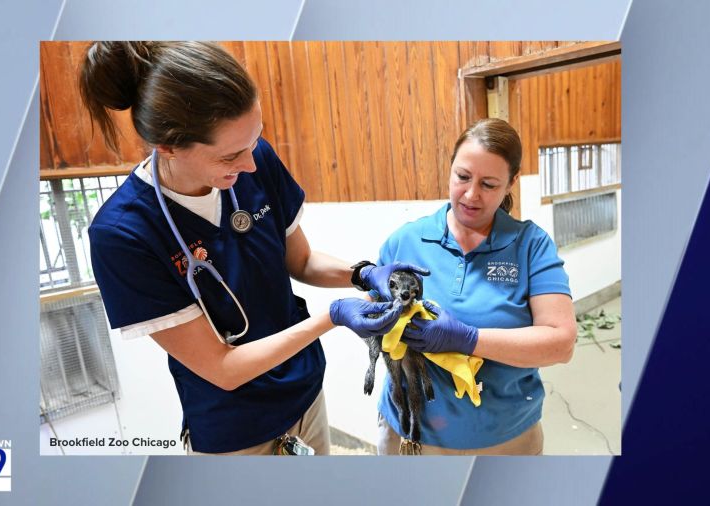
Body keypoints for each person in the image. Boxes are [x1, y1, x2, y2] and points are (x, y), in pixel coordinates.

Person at [79, 41, 425, 455]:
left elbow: (301, 260)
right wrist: (333, 318)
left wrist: (362, 273)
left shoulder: (254, 160)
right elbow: (223, 369)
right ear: (168, 147)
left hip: (305, 396)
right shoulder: (124, 235)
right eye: (230, 155)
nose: (251, 165)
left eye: (254, 140)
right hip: (235, 430)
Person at [372, 118, 577, 455]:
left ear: (511, 182)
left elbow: (561, 343)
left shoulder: (530, 246)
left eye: (489, 184)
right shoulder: (407, 240)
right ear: (450, 168)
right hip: (410, 436)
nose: (470, 194)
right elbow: (377, 316)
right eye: (462, 177)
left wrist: (467, 338)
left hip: (505, 440)